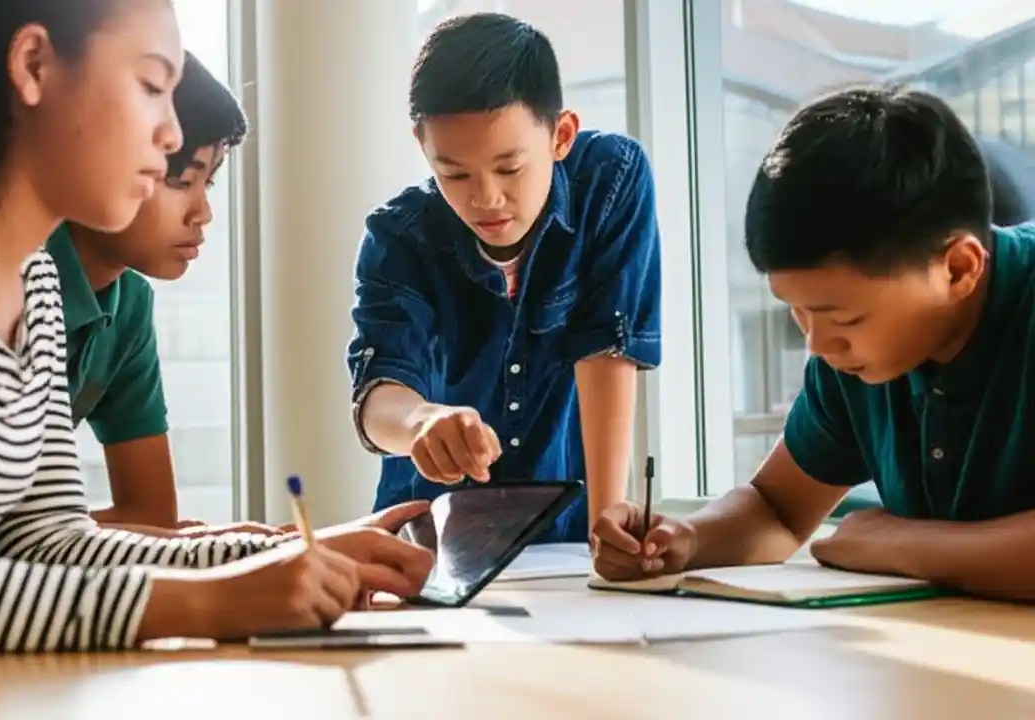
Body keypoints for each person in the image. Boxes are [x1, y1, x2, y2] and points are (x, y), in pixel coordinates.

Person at [0, 1, 429, 716]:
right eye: (151, 85)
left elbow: (46, 539)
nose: (171, 132)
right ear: (34, 67)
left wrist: (278, 557)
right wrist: (209, 602)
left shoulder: (34, 278)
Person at [592, 85, 1035, 603]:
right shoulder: (855, 355)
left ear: (958, 268)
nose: (818, 344)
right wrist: (687, 539)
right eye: (797, 311)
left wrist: (901, 544)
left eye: (843, 317)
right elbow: (777, 510)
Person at [347, 13, 661, 544]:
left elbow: (605, 350)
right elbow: (378, 392)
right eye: (454, 173)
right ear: (422, 144)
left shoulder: (609, 181)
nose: (486, 198)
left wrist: (605, 526)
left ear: (561, 135)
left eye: (510, 168)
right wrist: (421, 422)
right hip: (431, 542)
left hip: (564, 537)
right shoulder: (399, 235)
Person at [47, 50, 275, 536]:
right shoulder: (12, 277)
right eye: (182, 180)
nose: (203, 212)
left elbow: (148, 513)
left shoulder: (128, 302)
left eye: (208, 182)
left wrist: (210, 546)